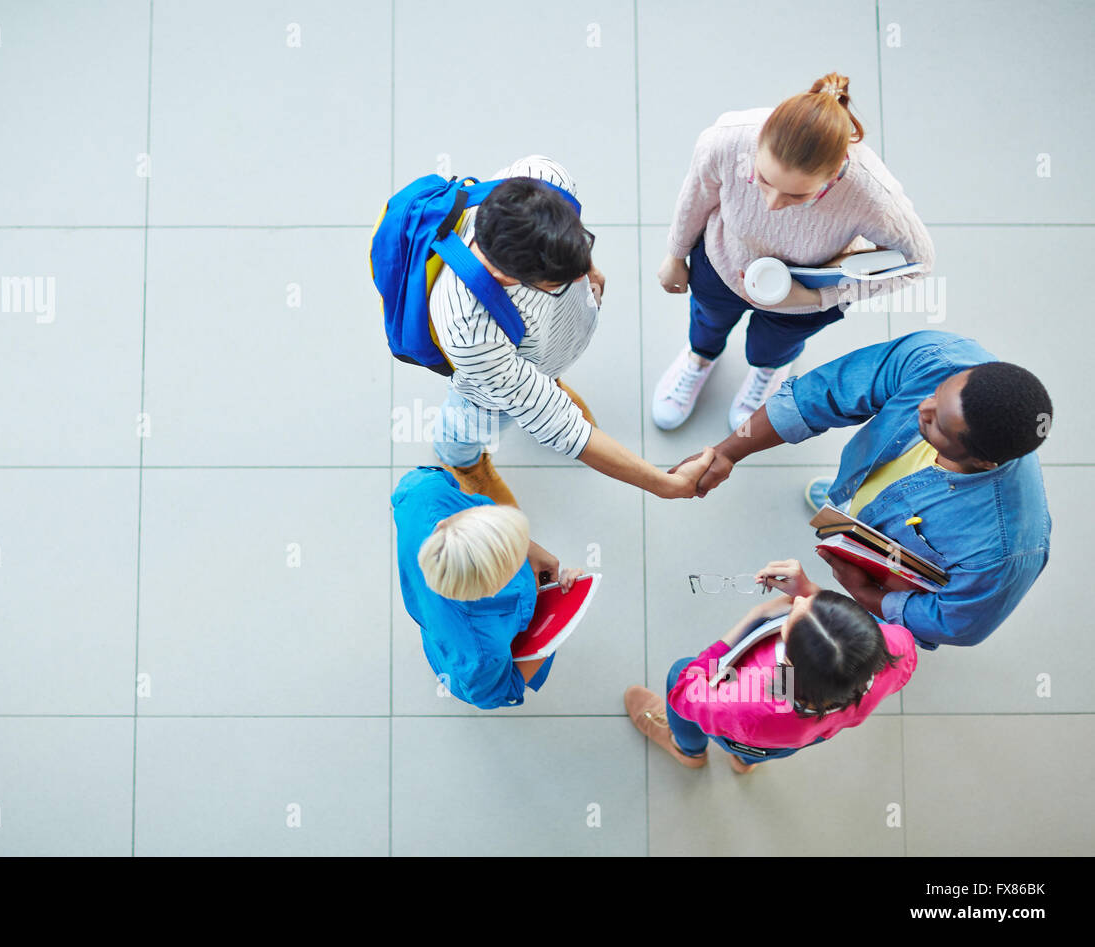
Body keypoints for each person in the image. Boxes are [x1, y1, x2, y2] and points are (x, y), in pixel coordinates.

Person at [669, 330, 1053, 649]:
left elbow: (957, 622)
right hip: (873, 510)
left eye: (937, 425)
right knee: (856, 505)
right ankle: (859, 515)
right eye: (936, 393)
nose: (922, 405)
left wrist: (869, 596)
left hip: (881, 593)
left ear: (984, 462)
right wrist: (726, 453)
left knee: (845, 646)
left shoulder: (1004, 551)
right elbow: (819, 396)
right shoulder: (939, 357)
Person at [652, 72, 935, 432]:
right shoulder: (727, 140)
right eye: (763, 181)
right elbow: (697, 194)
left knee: (770, 348)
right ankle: (699, 360)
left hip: (801, 295)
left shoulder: (872, 196)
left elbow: (918, 262)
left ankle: (767, 372)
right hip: (722, 265)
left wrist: (821, 296)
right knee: (707, 324)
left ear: (834, 174)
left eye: (797, 196)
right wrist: (675, 255)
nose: (771, 204)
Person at [430, 154, 714, 507]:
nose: (582, 278)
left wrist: (585, 263)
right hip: (485, 396)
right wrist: (664, 484)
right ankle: (465, 464)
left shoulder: (541, 175)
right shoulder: (471, 330)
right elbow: (561, 424)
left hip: (542, 352)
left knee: (537, 373)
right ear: (507, 278)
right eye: (562, 281)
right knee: (469, 428)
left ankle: (545, 379)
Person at [625, 560, 916, 772]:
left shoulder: (746, 702)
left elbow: (686, 690)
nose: (799, 603)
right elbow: (835, 638)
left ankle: (687, 749)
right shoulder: (896, 648)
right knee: (761, 749)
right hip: (798, 735)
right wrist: (809, 589)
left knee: (679, 671)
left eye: (796, 618)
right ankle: (744, 762)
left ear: (791, 657)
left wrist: (755, 616)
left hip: (747, 723)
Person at [391, 465, 583, 709]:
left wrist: (530, 549)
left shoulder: (423, 493)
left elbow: (431, 478)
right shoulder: (481, 654)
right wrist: (553, 632)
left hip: (439, 622)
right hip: (463, 659)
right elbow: (501, 691)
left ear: (446, 524)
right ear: (494, 588)